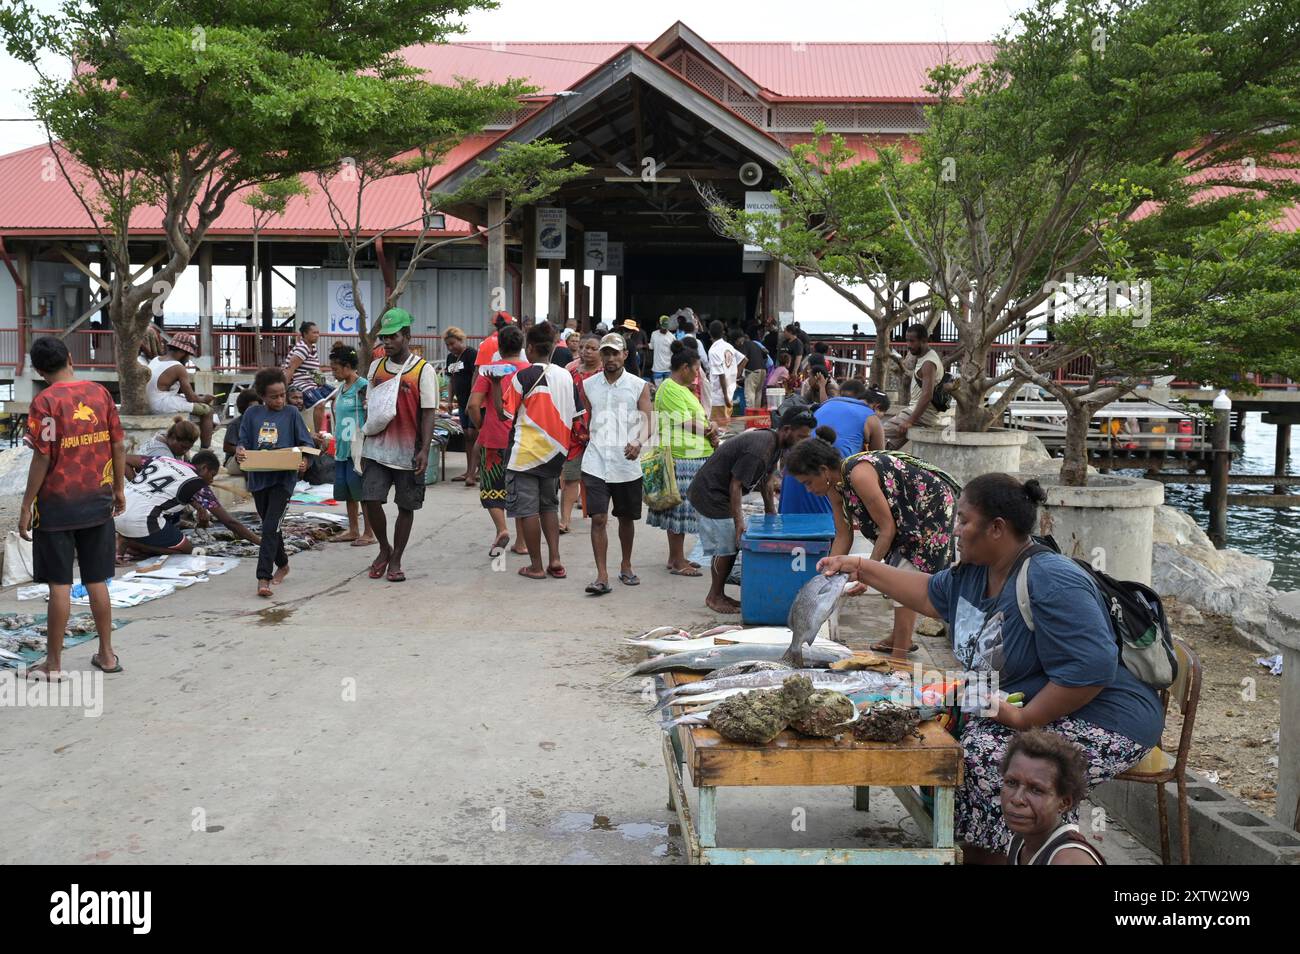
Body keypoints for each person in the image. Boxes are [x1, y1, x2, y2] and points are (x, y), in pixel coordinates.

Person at [817, 473, 1162, 864]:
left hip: (1107, 718)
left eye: (964, 520)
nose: (956, 530)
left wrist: (1023, 717)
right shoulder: (974, 571)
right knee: (917, 717)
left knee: (987, 757)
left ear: (996, 528)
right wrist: (858, 567)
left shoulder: (1051, 579)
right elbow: (928, 594)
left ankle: (1032, 854)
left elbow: (1092, 668)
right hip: (1019, 709)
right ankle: (971, 847)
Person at [19, 336, 125, 679]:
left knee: (60, 585)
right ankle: (107, 654)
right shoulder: (100, 394)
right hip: (98, 498)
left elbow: (42, 455)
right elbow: (118, 444)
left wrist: (26, 504)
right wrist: (119, 488)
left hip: (57, 506)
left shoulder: (44, 401)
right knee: (97, 580)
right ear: (68, 357)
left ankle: (53, 663)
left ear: (37, 369)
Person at [687, 409, 816, 614]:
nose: (803, 441)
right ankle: (714, 596)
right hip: (711, 493)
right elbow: (736, 484)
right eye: (801, 436)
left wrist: (770, 512)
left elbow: (766, 479)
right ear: (786, 430)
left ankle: (719, 593)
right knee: (728, 545)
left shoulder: (776, 444)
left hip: (721, 492)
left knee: (731, 544)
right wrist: (739, 522)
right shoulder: (761, 447)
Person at [359, 308, 438, 583]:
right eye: (384, 338)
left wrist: (425, 449)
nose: (387, 342)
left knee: (406, 506)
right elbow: (369, 406)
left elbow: (429, 411)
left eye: (393, 336)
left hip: (408, 451)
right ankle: (384, 547)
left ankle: (396, 558)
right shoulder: (376, 367)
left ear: (406, 335)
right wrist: (363, 444)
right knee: (369, 500)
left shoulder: (423, 370)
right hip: (377, 450)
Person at [505, 323, 582, 580]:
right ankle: (556, 560)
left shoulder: (523, 376)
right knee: (548, 507)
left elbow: (504, 412)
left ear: (530, 348)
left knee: (527, 510)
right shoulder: (566, 376)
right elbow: (578, 415)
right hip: (556, 454)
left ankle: (536, 565)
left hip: (526, 453)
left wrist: (496, 385)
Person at [580, 332, 653, 595]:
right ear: (601, 356)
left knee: (625, 518)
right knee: (598, 518)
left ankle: (626, 563)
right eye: (606, 353)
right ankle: (601, 575)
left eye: (615, 353)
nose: (610, 358)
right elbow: (589, 417)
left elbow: (648, 420)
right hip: (596, 461)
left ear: (625, 355)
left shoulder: (638, 385)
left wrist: (638, 441)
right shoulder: (588, 385)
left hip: (626, 462)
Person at [236, 368, 313, 598]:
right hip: (259, 479)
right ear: (262, 396)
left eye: (282, 395)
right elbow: (243, 443)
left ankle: (263, 578)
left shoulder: (292, 414)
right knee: (272, 526)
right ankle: (284, 564)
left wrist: (305, 463)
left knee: (269, 526)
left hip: (283, 480)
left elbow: (306, 445)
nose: (280, 400)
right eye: (274, 396)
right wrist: (240, 451)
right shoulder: (251, 415)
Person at [647, 342, 718, 575]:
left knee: (683, 510)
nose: (697, 375)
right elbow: (684, 422)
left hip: (694, 454)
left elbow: (697, 419)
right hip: (682, 456)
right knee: (680, 512)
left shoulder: (681, 390)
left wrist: (710, 428)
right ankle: (678, 561)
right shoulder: (669, 388)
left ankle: (675, 557)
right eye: (696, 370)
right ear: (685, 367)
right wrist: (709, 431)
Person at [117, 450, 260, 557]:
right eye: (212, 475)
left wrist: (137, 484)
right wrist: (261, 543)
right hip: (140, 520)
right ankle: (132, 542)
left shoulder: (163, 459)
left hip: (117, 513)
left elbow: (123, 458)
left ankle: (129, 539)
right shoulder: (197, 483)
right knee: (187, 551)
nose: (211, 481)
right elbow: (230, 522)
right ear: (204, 468)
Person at [778, 380, 885, 515]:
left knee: (788, 527)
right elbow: (879, 466)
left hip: (795, 470)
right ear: (874, 405)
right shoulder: (871, 417)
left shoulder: (825, 405)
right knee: (827, 529)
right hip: (825, 477)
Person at [1001, 730, 1106, 865]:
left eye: (1036, 790)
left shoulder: (1069, 860)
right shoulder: (1020, 841)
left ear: (1064, 803)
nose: (1017, 799)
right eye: (1011, 783)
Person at [469, 324, 529, 557]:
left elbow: (473, 404)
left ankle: (502, 529)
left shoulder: (489, 370)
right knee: (522, 491)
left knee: (492, 487)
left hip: (493, 438)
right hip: (522, 439)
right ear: (522, 346)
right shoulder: (530, 370)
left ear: (500, 347)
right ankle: (522, 543)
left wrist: (482, 427)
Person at [324, 342, 375, 547]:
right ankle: (353, 530)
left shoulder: (363, 387)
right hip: (342, 448)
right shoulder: (341, 388)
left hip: (358, 449)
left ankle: (369, 532)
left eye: (335, 369)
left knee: (363, 492)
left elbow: (372, 415)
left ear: (346, 367)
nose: (333, 372)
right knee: (347, 491)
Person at [560, 333, 602, 533]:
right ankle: (565, 519)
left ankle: (598, 516)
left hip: (601, 431)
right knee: (570, 476)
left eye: (593, 348)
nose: (587, 351)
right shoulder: (570, 370)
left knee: (599, 478)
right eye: (584, 347)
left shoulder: (607, 371)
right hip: (575, 431)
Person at [146, 332, 215, 449]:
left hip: (151, 400)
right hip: (160, 404)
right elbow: (191, 398)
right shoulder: (178, 367)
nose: (188, 359)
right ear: (183, 352)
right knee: (208, 411)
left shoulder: (156, 359)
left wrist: (197, 397)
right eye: (188, 355)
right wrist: (204, 399)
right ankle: (205, 450)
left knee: (191, 402)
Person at [884, 323, 947, 449]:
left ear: (924, 341)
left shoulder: (928, 363)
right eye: (907, 341)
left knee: (877, 432)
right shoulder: (924, 357)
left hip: (920, 416)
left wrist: (909, 421)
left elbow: (927, 395)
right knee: (888, 448)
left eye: (912, 341)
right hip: (919, 414)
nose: (908, 345)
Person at [442, 327, 479, 485]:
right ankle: (469, 470)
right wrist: (450, 400)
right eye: (448, 345)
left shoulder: (471, 354)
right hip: (461, 401)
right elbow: (451, 380)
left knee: (474, 435)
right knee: (467, 436)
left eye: (453, 343)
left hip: (473, 402)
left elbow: (476, 378)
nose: (450, 348)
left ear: (460, 340)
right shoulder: (450, 358)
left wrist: (472, 400)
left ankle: (475, 471)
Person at [283, 321, 333, 416]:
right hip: (301, 382)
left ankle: (335, 425)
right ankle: (317, 431)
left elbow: (313, 370)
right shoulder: (302, 348)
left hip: (312, 381)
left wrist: (322, 382)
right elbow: (290, 369)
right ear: (305, 334)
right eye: (314, 333)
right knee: (320, 404)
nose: (317, 335)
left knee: (336, 395)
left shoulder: (312, 347)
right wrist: (283, 390)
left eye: (318, 333)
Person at [706, 320, 746, 423]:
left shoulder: (713, 351)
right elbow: (744, 360)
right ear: (723, 332)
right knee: (723, 426)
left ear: (709, 333)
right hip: (729, 392)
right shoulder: (729, 346)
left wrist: (725, 396)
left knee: (717, 429)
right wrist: (734, 378)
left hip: (719, 396)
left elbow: (721, 374)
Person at [222, 389, 260, 477]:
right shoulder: (235, 424)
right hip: (236, 460)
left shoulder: (262, 423)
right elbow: (226, 447)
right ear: (244, 408)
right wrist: (242, 450)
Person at [741, 333, 769, 412]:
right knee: (758, 394)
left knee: (750, 393)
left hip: (753, 371)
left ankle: (750, 417)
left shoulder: (745, 344)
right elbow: (766, 355)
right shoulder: (756, 345)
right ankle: (756, 417)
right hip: (763, 370)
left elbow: (743, 358)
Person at [650, 316, 676, 383]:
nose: (665, 329)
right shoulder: (654, 334)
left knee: (667, 389)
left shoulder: (672, 337)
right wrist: (644, 345)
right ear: (659, 325)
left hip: (668, 368)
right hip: (657, 368)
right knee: (658, 389)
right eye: (663, 327)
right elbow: (651, 346)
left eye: (666, 327)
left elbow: (674, 352)